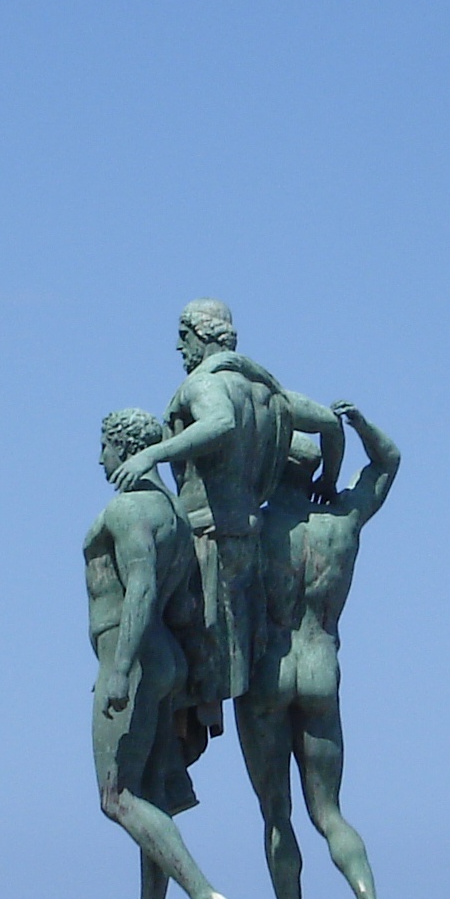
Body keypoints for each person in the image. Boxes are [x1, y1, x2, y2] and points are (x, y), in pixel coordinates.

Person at [113, 300, 339, 708]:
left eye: (183, 337)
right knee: (220, 653)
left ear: (202, 335)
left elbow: (220, 423)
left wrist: (152, 454)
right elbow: (330, 423)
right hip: (245, 535)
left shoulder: (204, 383)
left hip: (205, 534)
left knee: (179, 650)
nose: (179, 348)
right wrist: (329, 480)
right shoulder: (271, 392)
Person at [237, 402, 402, 899]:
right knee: (329, 812)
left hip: (268, 673)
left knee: (276, 812)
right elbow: (388, 460)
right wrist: (356, 423)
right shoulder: (343, 522)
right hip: (321, 669)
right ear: (311, 471)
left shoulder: (255, 526)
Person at [83, 408, 235, 899]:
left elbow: (141, 589)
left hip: (133, 658)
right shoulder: (170, 510)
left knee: (116, 796)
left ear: (123, 448)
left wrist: (120, 668)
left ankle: (203, 895)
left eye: (104, 445)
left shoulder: (128, 511)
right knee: (151, 795)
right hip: (163, 658)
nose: (100, 457)